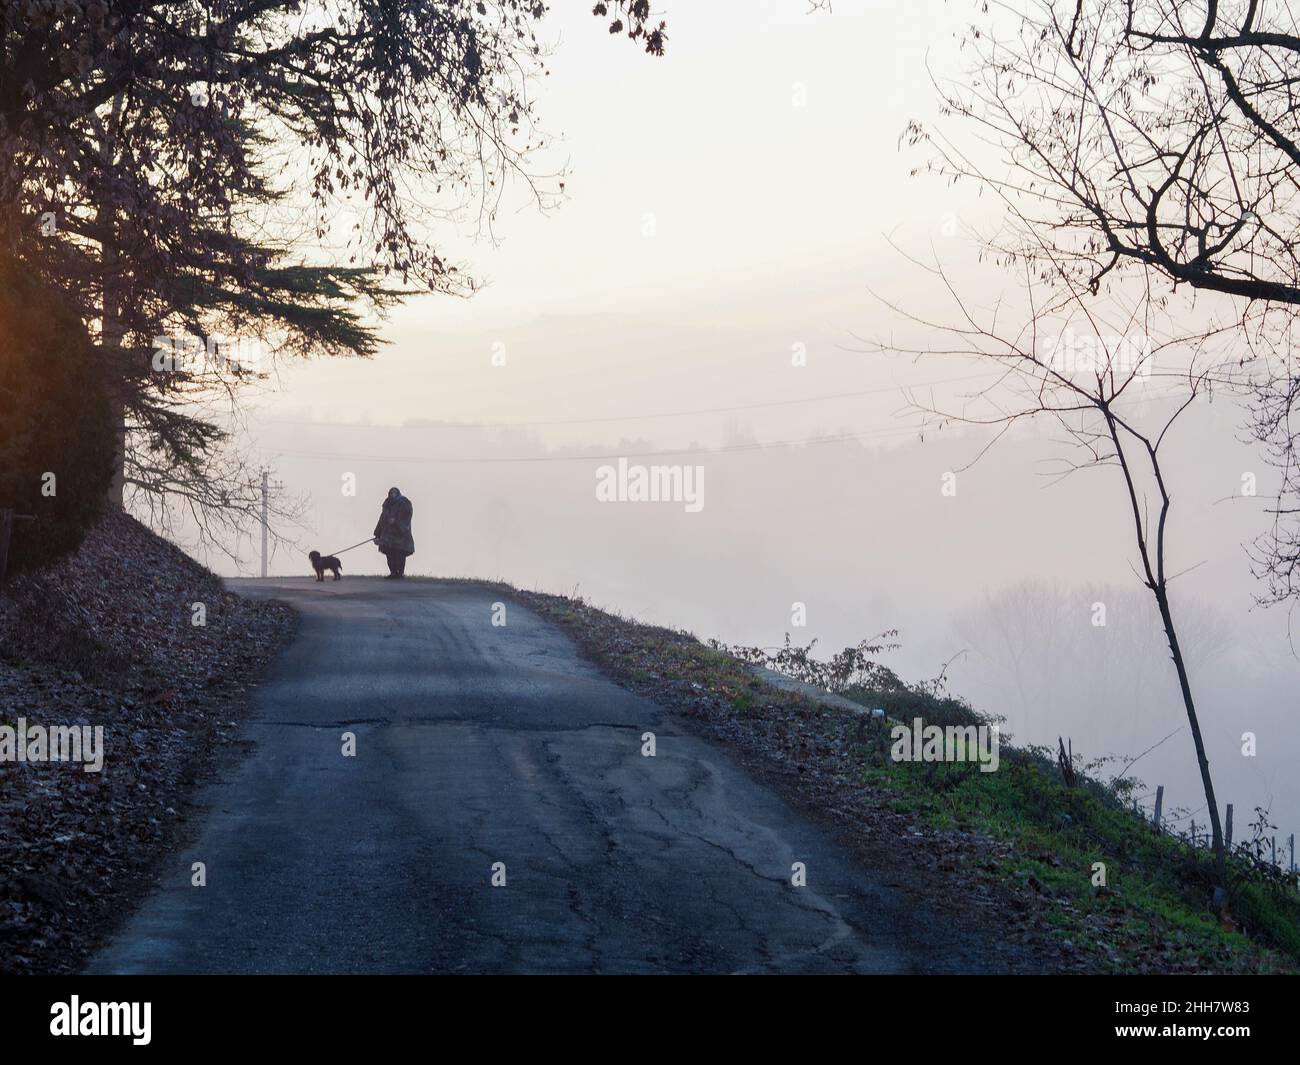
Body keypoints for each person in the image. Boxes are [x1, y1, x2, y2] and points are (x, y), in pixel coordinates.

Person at [373, 486, 414, 578]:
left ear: (398, 493)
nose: (393, 494)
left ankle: (400, 573)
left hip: (400, 535)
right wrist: (377, 533)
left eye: (394, 493)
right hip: (388, 536)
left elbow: (407, 516)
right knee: (389, 554)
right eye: (391, 493)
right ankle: (393, 573)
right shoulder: (387, 504)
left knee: (399, 554)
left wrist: (396, 521)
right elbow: (382, 519)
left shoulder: (404, 502)